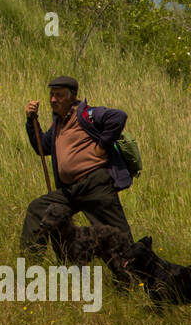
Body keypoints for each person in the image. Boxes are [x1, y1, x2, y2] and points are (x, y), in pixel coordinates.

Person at [20, 75, 133, 254]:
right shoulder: (58, 123)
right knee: (38, 209)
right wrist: (31, 120)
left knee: (117, 235)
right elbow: (42, 147)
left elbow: (118, 116)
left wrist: (102, 146)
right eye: (51, 95)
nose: (53, 100)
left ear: (72, 97)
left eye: (59, 95)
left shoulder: (87, 114)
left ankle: (133, 273)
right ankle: (31, 263)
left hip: (95, 185)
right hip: (69, 190)